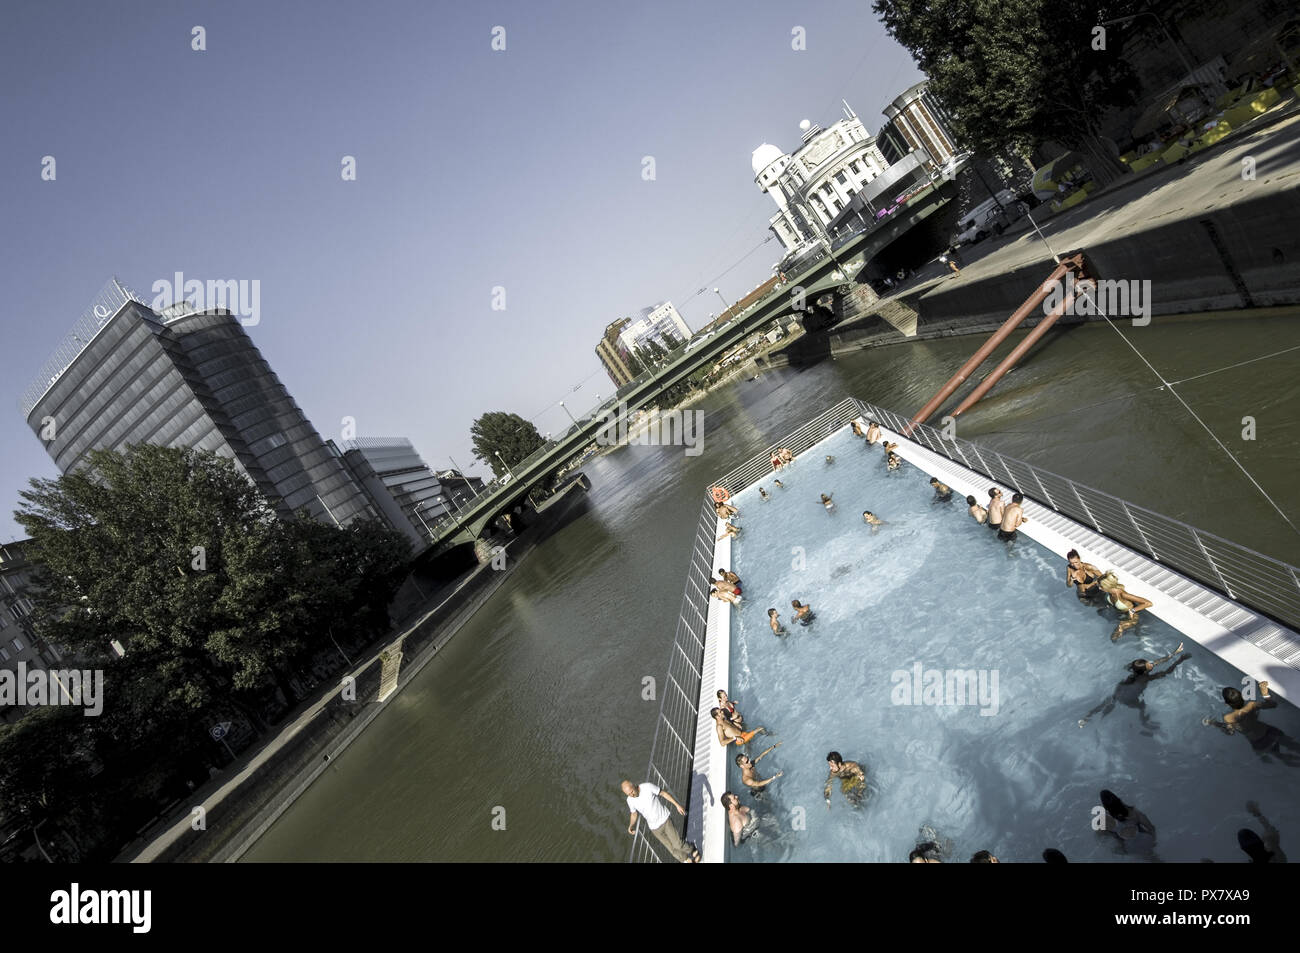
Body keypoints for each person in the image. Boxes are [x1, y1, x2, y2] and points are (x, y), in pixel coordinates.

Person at [1078, 643, 1187, 729]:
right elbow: (1167, 671)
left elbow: (1158, 662)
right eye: (1149, 664)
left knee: (1106, 704)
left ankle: (1086, 717)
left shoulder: (1135, 670)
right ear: (1145, 670)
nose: (1152, 663)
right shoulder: (1146, 678)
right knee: (1142, 706)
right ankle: (1143, 721)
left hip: (1119, 692)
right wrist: (1179, 660)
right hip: (1129, 699)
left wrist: (1174, 653)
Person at [1205, 681, 1300, 766]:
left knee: (1278, 755)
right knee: (1291, 744)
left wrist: (1214, 723)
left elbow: (1230, 732)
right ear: (1242, 696)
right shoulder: (1251, 705)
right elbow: (1272, 704)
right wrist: (1264, 692)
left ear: (1227, 703)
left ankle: (1287, 761)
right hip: (1270, 732)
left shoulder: (1229, 717)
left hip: (1259, 742)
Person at [622, 779, 699, 862]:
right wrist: (630, 826)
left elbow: (663, 793)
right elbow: (634, 814)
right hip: (654, 828)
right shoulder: (629, 800)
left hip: (665, 820)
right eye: (628, 794)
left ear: (634, 785)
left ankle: (692, 849)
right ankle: (688, 860)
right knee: (672, 850)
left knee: (678, 844)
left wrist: (677, 805)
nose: (632, 795)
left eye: (632, 791)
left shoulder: (647, 787)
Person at [1097, 572, 1153, 640]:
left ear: (1107, 586)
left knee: (1116, 633)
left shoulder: (1122, 594)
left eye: (1101, 586)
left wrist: (1132, 611)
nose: (1099, 588)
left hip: (1132, 616)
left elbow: (1148, 603)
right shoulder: (1109, 593)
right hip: (1121, 614)